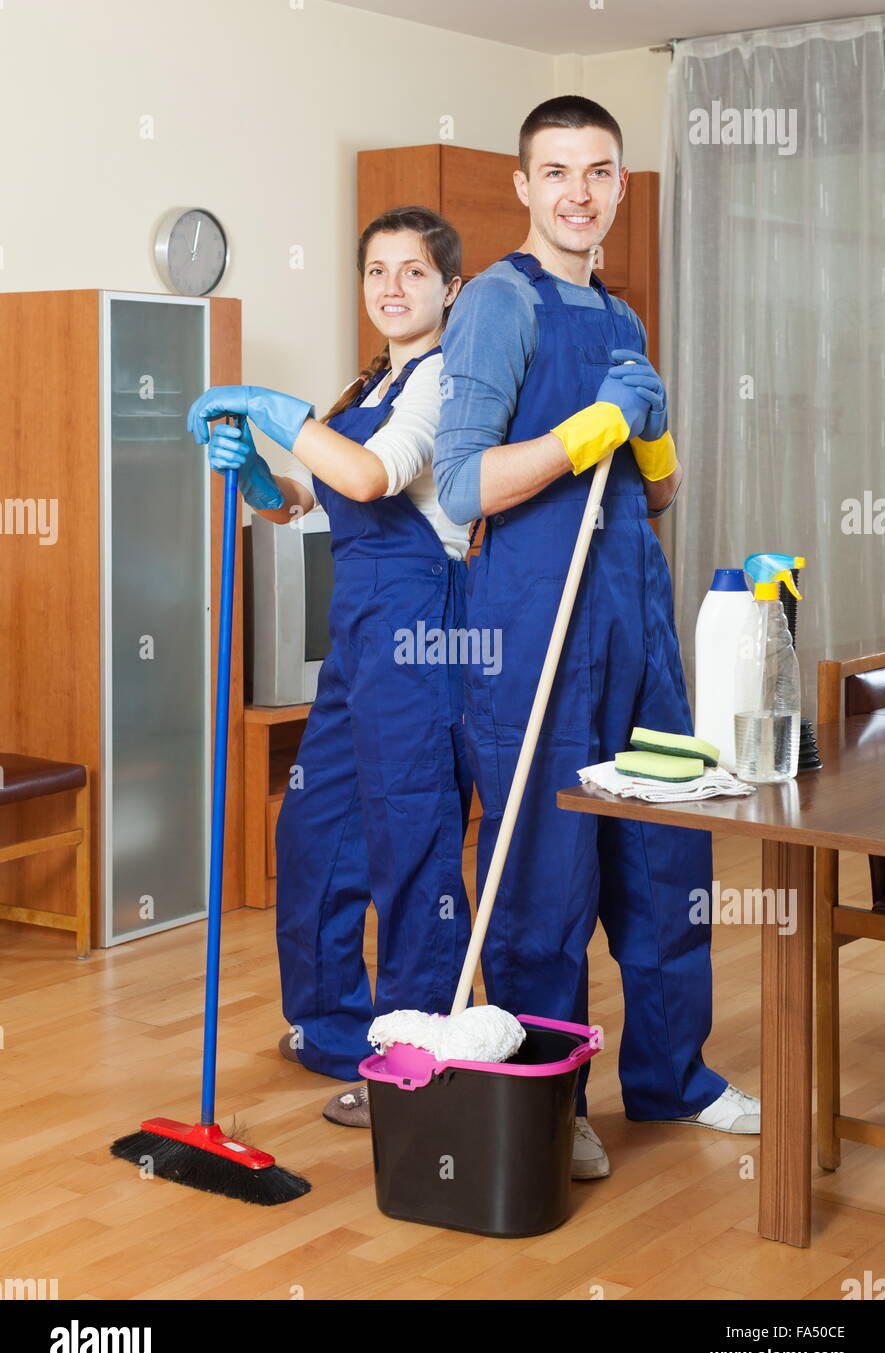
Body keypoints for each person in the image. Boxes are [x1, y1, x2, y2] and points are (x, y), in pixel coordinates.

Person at [433, 96, 759, 1180]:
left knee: (667, 857)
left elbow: (649, 500)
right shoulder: (493, 303)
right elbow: (462, 483)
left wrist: (652, 437)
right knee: (542, 876)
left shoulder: (622, 320)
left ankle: (673, 1078)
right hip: (536, 634)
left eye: (599, 171)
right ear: (521, 187)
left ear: (620, 185)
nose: (579, 191)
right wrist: (588, 430)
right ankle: (547, 1099)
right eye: (555, 170)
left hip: (636, 622)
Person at [188, 206, 471, 1128]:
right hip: (358, 640)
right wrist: (261, 479)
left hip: (420, 635)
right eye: (376, 272)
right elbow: (314, 494)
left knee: (410, 840)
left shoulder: (445, 382)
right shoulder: (361, 387)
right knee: (315, 833)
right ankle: (333, 1026)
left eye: (413, 272)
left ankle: (418, 1052)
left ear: (450, 288)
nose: (392, 288)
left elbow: (371, 479)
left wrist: (275, 411)